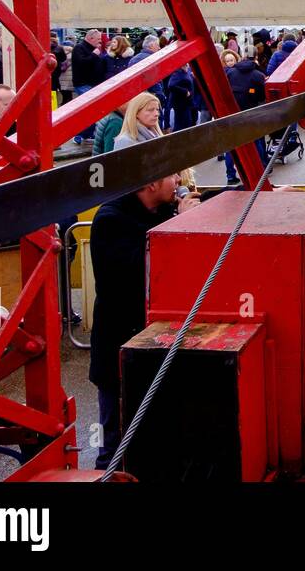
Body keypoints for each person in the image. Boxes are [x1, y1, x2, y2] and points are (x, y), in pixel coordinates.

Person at [88, 173, 200, 469]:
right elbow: (138, 269)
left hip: (155, 345)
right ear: (150, 184)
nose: (178, 179)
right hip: (118, 348)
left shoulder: (162, 209)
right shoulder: (110, 219)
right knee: (112, 442)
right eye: (171, 175)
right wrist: (179, 223)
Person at [224, 50, 269, 185]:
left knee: (232, 146)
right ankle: (261, 170)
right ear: (254, 60)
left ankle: (231, 175)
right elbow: (262, 96)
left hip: (233, 114)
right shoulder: (257, 75)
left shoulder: (231, 73)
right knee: (256, 141)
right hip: (251, 112)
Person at [166, 65, 196, 132]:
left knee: (187, 124)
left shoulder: (186, 71)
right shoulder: (178, 72)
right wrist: (185, 91)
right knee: (181, 126)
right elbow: (171, 85)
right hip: (181, 105)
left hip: (187, 104)